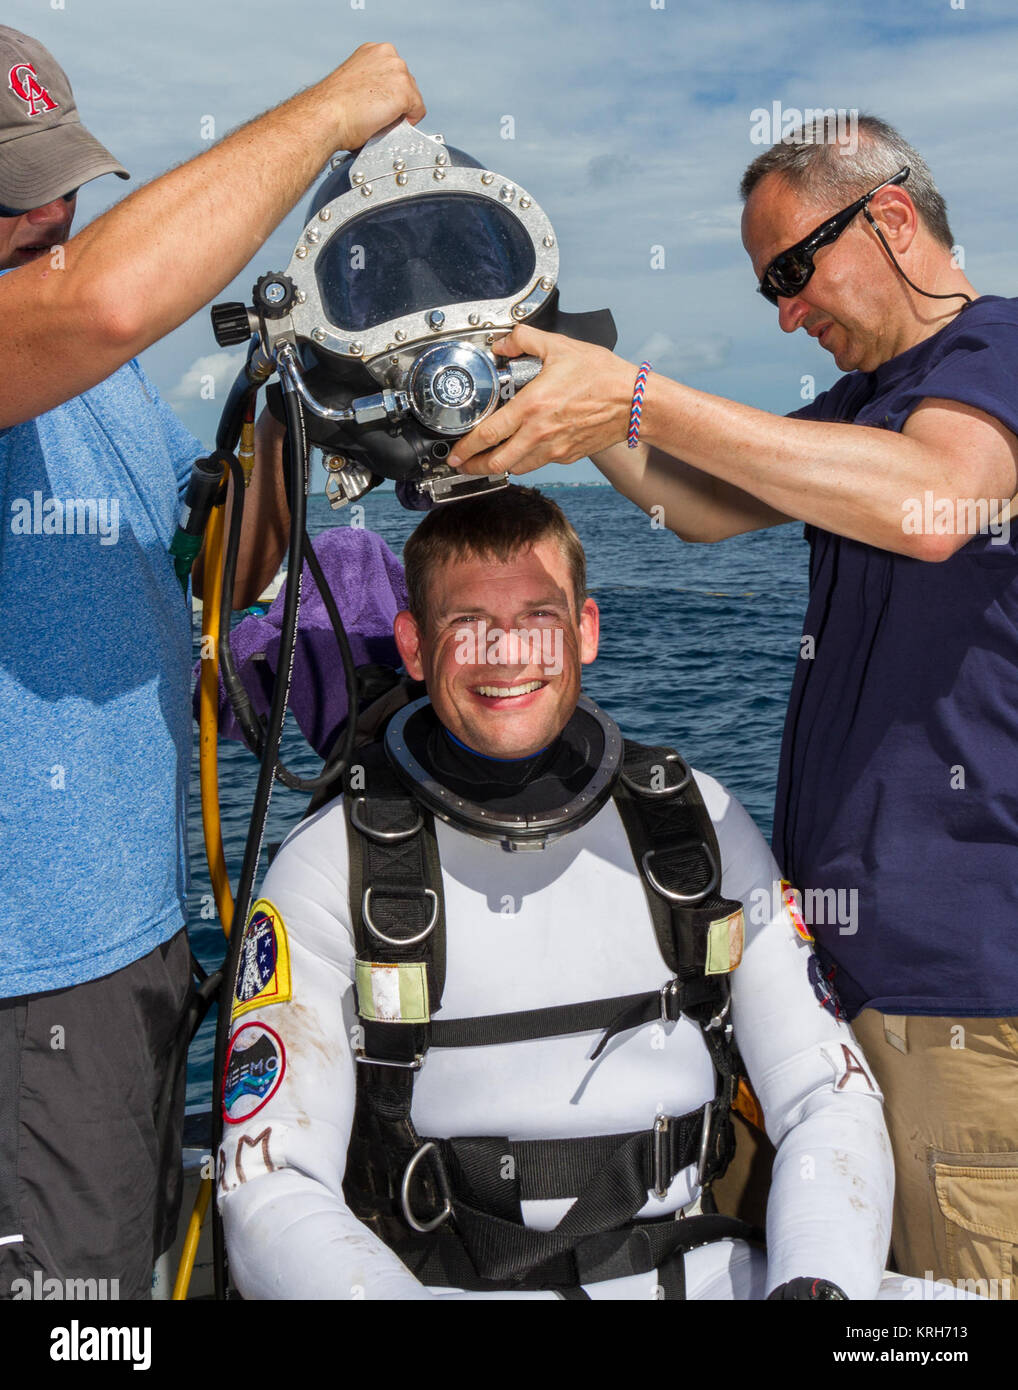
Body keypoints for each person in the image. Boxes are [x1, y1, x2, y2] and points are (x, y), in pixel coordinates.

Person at [447, 116, 1018, 1297]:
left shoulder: (997, 356)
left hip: (964, 1002)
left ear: (894, 218)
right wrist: (578, 395)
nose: (784, 314)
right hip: (842, 981)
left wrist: (640, 394)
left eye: (794, 271)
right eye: (767, 286)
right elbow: (700, 503)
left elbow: (934, 506)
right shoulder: (868, 405)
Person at [216, 483, 981, 1301]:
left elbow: (824, 1091)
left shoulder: (696, 826)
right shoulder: (337, 859)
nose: (506, 655)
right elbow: (270, 1180)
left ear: (585, 631)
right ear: (412, 645)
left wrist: (816, 1283)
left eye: (538, 619)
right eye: (468, 624)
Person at [0, 25, 424, 1299]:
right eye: (12, 192)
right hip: (28, 987)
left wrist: (289, 392)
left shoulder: (95, 377)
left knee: (129, 1288)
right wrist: (337, 110)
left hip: (134, 956)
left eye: (60, 177)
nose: (53, 213)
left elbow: (218, 573)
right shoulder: (65, 319)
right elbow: (103, 296)